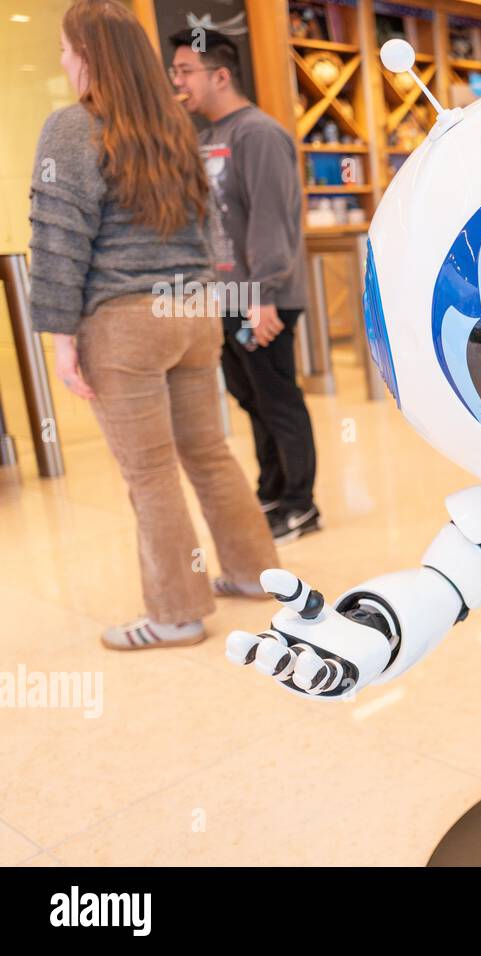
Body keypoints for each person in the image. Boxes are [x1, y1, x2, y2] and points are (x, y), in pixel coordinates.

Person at [29, 0, 278, 649]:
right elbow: (208, 226)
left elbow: (59, 241)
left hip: (125, 321)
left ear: (90, 57)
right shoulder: (177, 128)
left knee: (149, 472)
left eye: (66, 49)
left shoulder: (70, 129)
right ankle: (256, 574)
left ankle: (176, 612)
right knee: (209, 453)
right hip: (192, 310)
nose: (61, 60)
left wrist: (60, 339)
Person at [169, 28, 321, 543]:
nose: (178, 82)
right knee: (250, 396)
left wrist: (265, 296)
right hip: (227, 295)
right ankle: (273, 491)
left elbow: (270, 224)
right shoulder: (203, 136)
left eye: (185, 71)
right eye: (175, 72)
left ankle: (302, 505)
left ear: (221, 75)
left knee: (278, 397)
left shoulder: (257, 134)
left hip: (263, 296)